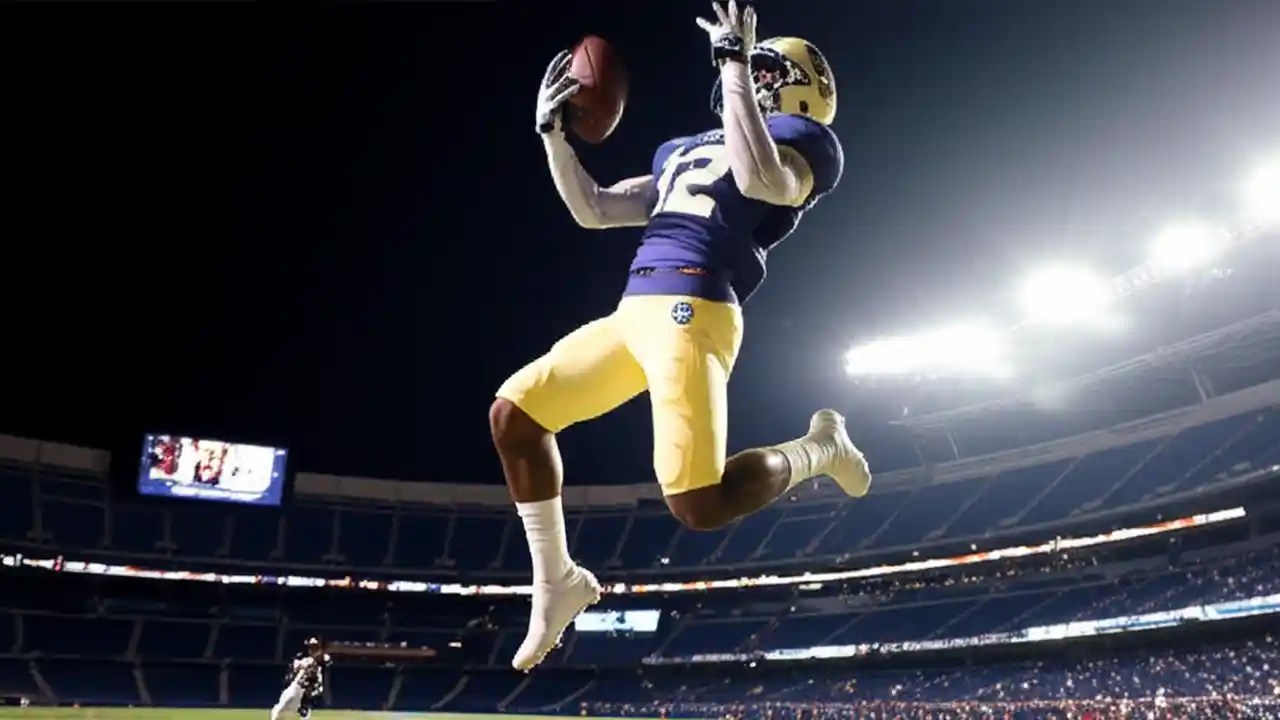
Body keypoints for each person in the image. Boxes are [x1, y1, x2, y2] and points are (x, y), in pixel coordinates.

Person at [489, 0, 872, 672]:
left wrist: (730, 69)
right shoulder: (685, 148)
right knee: (515, 416)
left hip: (695, 310)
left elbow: (761, 179)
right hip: (632, 314)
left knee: (698, 503)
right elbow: (596, 209)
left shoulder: (809, 143)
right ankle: (556, 581)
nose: (745, 72)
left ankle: (818, 447)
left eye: (756, 68)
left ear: (780, 82)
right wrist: (554, 137)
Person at [270, 637, 331, 720]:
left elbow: (325, 662)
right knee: (280, 708)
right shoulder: (304, 659)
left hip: (306, 690)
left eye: (314, 647)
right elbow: (294, 669)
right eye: (311, 647)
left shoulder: (319, 663)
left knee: (301, 711)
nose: (312, 649)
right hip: (296, 687)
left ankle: (303, 707)